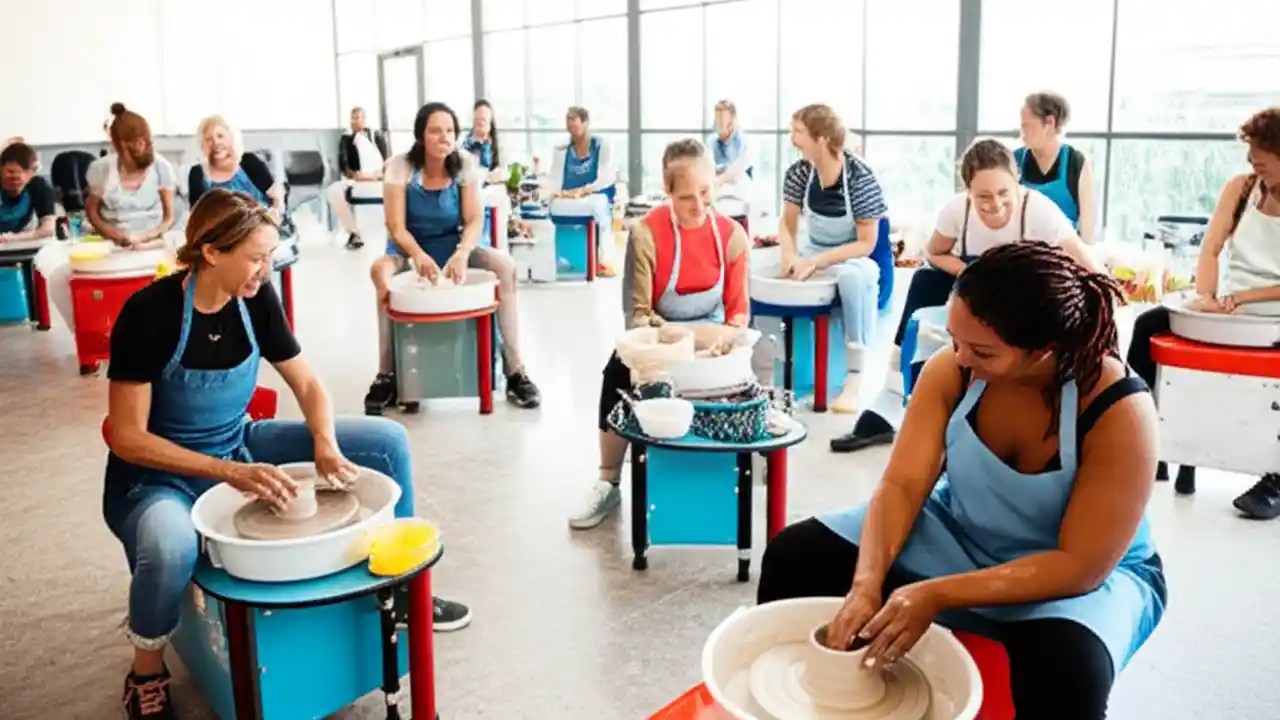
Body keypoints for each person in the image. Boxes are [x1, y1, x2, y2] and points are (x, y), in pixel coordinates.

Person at [102, 189, 470, 720]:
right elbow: (126, 436)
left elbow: (308, 384)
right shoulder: (150, 313)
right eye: (255, 258)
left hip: (237, 442)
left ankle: (405, 587)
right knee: (169, 544)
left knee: (385, 443)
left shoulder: (256, 299)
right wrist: (228, 472)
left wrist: (324, 440)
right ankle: (146, 671)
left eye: (270, 257)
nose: (264, 270)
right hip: (155, 476)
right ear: (210, 252)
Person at [759, 243, 1166, 719]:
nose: (961, 358)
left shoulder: (1120, 411)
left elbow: (1080, 565)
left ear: (1043, 352)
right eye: (956, 339)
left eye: (983, 351)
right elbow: (903, 486)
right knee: (798, 555)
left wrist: (935, 593)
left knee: (1066, 666)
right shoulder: (952, 370)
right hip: (962, 529)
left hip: (1085, 572)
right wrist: (868, 584)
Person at [831, 139, 1102, 453]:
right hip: (975, 281)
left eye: (1003, 193)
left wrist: (1102, 308)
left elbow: (1086, 263)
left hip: (1026, 291)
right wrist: (971, 274)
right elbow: (934, 253)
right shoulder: (956, 211)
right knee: (924, 282)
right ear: (968, 191)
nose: (995, 204)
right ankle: (892, 401)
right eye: (983, 196)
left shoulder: (1040, 211)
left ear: (1017, 183)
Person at [568, 139, 751, 529]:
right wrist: (689, 336)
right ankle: (608, 480)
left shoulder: (733, 235)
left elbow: (739, 316)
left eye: (706, 192)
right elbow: (637, 318)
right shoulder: (646, 233)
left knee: (750, 375)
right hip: (657, 345)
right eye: (686, 197)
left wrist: (719, 338)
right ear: (667, 192)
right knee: (617, 369)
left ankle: (745, 466)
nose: (699, 206)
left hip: (715, 346)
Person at [1126, 106, 1280, 515]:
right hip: (1232, 313)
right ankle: (1136, 441)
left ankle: (1275, 480)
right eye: (1250, 152)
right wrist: (1208, 296)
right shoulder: (1242, 188)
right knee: (1148, 324)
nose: (1252, 160)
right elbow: (1211, 248)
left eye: (1262, 152)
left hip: (1267, 312)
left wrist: (1244, 299)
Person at [364, 102, 541, 413]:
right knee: (380, 273)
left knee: (505, 267)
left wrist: (462, 254)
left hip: (455, 245)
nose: (444, 137)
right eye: (435, 130)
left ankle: (515, 371)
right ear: (420, 135)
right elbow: (395, 226)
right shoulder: (400, 166)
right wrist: (417, 255)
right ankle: (387, 374)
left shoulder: (465, 165)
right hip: (409, 248)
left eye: (449, 130)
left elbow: (474, 220)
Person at [778, 103, 887, 413]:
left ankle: (854, 377)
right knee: (765, 271)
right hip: (814, 249)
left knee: (852, 279)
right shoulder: (799, 173)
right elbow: (787, 224)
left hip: (853, 256)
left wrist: (819, 262)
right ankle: (788, 374)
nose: (792, 139)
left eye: (798, 132)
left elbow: (866, 243)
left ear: (822, 138)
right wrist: (789, 255)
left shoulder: (860, 177)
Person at [86, 103, 177, 249]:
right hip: (112, 245)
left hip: (153, 243)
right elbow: (92, 214)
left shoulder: (162, 167)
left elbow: (168, 218)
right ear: (118, 146)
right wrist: (120, 237)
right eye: (131, 153)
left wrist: (145, 238)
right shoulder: (101, 170)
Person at [544, 106, 617, 278]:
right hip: (568, 194)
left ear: (585, 123)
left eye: (574, 123)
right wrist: (554, 192)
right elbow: (555, 176)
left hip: (595, 192)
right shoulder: (562, 148)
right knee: (550, 207)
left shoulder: (601, 145)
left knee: (597, 206)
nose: (571, 127)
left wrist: (584, 190)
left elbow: (606, 176)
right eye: (568, 123)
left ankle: (602, 259)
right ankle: (557, 257)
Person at [1017, 92, 1098, 244]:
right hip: (1022, 256)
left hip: (1064, 257)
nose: (1022, 134)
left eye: (1027, 126)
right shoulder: (1014, 161)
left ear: (1049, 122)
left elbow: (1087, 234)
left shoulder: (1077, 163)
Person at [187, 115, 283, 220]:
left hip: (261, 228)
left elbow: (275, 197)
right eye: (209, 139)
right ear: (202, 145)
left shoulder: (249, 161)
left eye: (220, 136)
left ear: (232, 138)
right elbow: (196, 217)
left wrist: (275, 214)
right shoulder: (197, 173)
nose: (216, 142)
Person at [327, 106, 389, 250]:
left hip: (379, 179)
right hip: (356, 180)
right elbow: (345, 168)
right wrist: (358, 175)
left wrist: (375, 175)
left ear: (364, 119)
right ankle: (354, 233)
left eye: (357, 118)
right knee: (334, 191)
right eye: (352, 118)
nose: (354, 122)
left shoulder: (377, 137)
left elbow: (388, 163)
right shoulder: (346, 140)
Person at [0, 142, 56, 242]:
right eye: (10, 172)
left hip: (21, 243)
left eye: (24, 172)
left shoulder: (39, 186)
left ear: (32, 173)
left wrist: (10, 238)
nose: (17, 178)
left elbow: (48, 229)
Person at [461, 99, 505, 184]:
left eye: (484, 120)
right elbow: (466, 174)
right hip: (470, 188)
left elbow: (500, 168)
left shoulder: (495, 142)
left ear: (490, 122)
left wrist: (497, 172)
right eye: (478, 120)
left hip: (492, 189)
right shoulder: (466, 142)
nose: (481, 123)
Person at [711, 99, 752, 188]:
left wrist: (720, 179)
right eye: (717, 119)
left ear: (732, 121)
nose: (718, 123)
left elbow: (737, 171)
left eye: (722, 120)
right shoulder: (712, 141)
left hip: (739, 190)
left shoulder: (742, 141)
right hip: (717, 190)